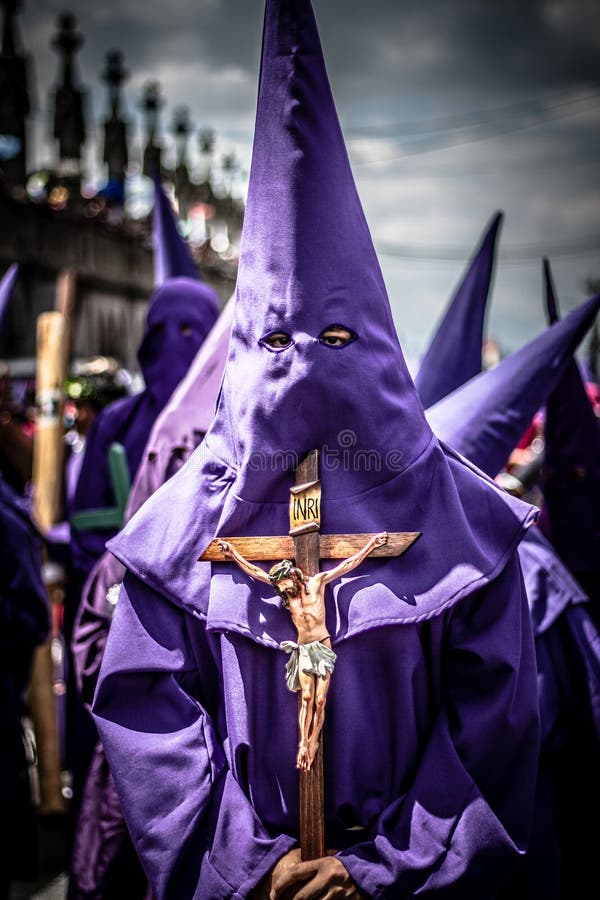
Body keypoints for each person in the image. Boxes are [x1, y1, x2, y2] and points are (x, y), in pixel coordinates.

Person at [92, 2, 540, 897]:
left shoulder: (461, 526)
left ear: (374, 339)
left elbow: (497, 727)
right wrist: (248, 868)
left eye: (336, 341)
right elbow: (150, 721)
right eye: (274, 347)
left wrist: (377, 873)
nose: (303, 375)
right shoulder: (182, 528)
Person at [218, 533, 388, 770]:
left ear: (292, 575)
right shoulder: (286, 593)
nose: (281, 591)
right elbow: (256, 572)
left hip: (322, 645)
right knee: (306, 698)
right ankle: (303, 743)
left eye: (283, 585)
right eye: (278, 587)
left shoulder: (316, 583)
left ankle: (314, 741)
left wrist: (370, 545)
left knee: (320, 700)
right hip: (303, 649)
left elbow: (347, 564)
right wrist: (233, 553)